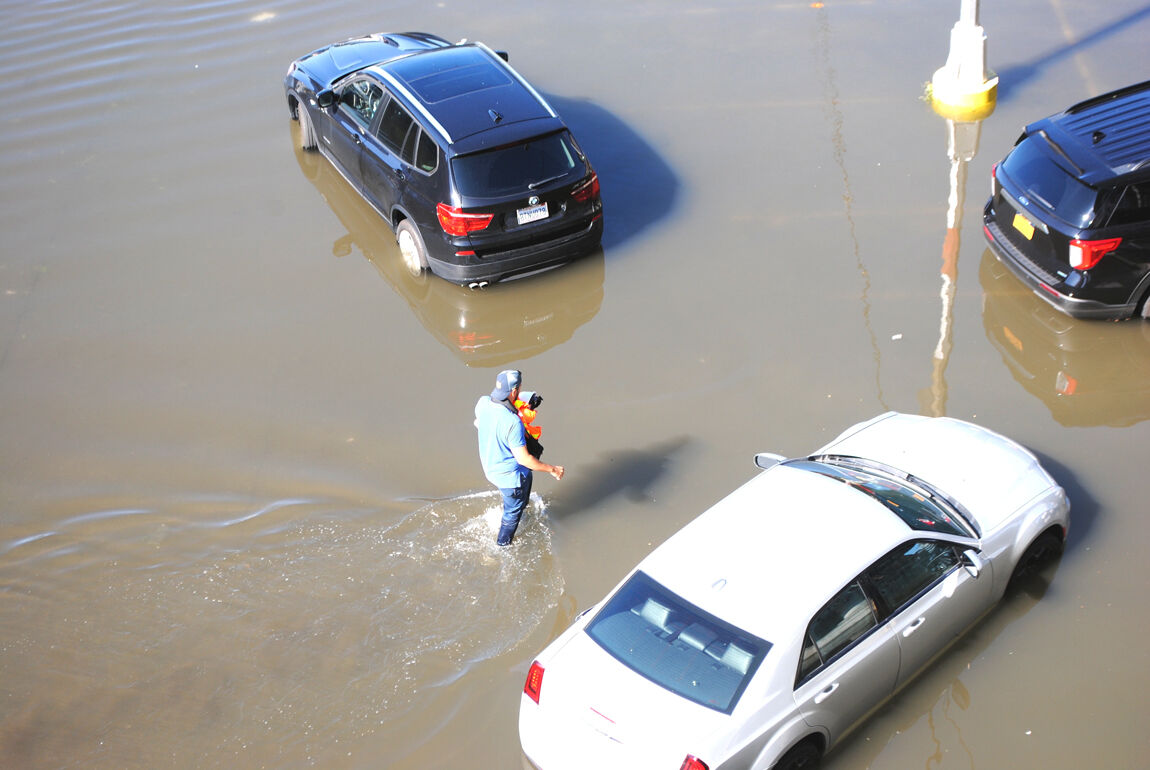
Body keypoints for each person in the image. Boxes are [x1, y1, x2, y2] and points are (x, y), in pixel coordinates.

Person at [475, 370, 564, 546]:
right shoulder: (512, 422)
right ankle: (502, 546)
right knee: (512, 515)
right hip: (511, 478)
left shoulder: (482, 403)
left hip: (491, 468)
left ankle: (516, 507)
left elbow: (479, 423)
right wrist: (553, 469)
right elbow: (524, 459)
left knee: (516, 501)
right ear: (515, 390)